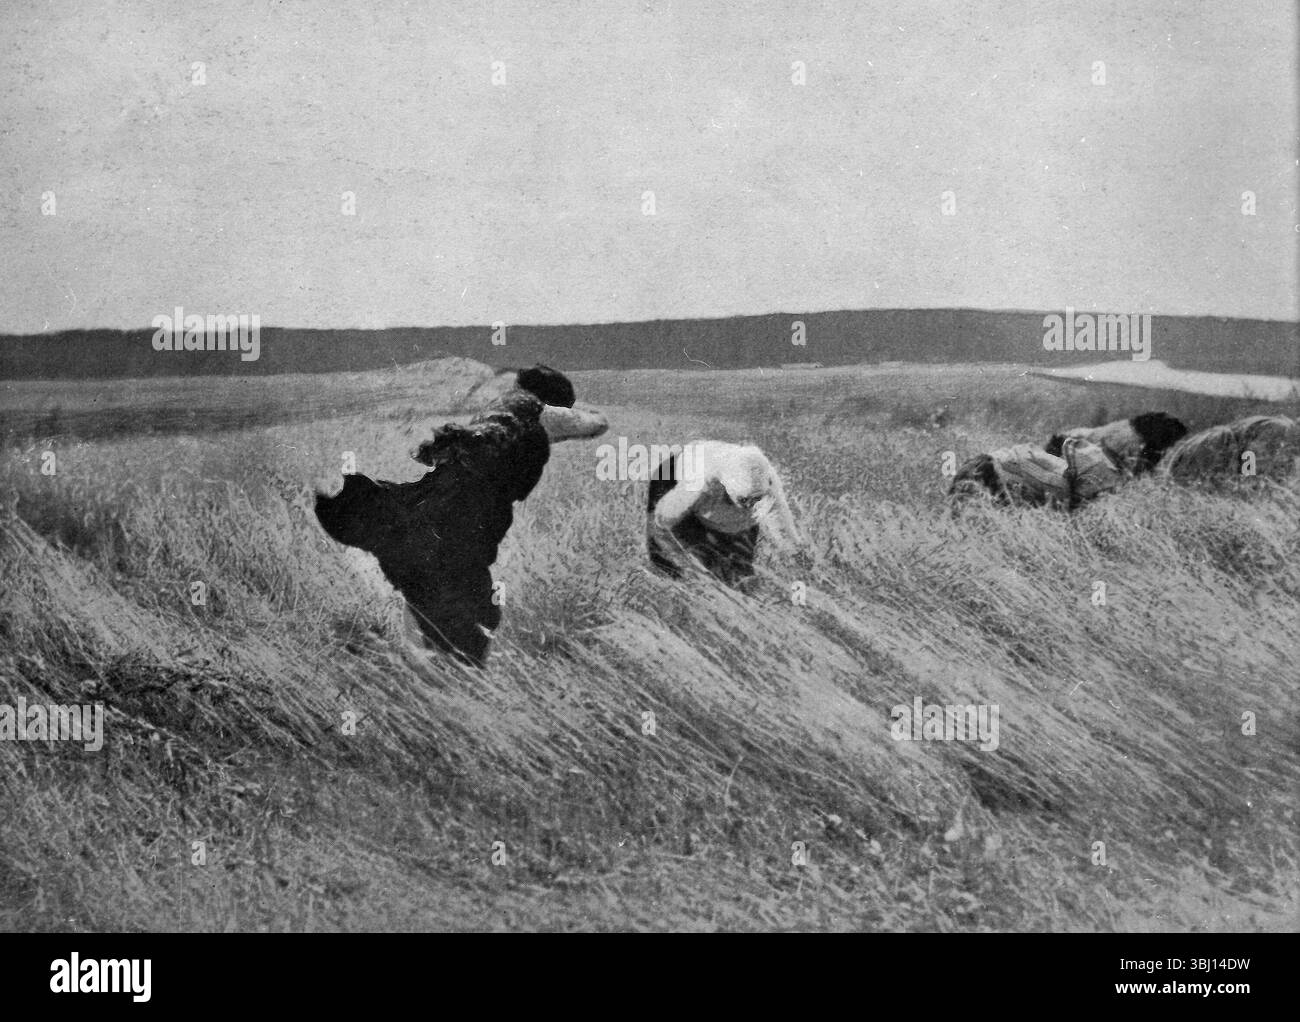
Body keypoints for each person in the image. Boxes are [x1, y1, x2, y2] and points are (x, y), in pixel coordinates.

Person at [315, 365, 606, 665]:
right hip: (457, 533)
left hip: (423, 512)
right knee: (470, 614)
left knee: (427, 588)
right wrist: (564, 412)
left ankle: (406, 665)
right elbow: (597, 423)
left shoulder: (493, 415)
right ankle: (432, 676)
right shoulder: (539, 413)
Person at [646, 440, 801, 585]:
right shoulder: (699, 485)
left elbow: (786, 537)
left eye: (756, 500)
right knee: (681, 571)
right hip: (674, 479)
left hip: (718, 503)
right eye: (745, 500)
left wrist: (796, 558)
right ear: (726, 486)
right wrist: (684, 565)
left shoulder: (768, 489)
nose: (751, 506)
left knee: (739, 578)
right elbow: (660, 524)